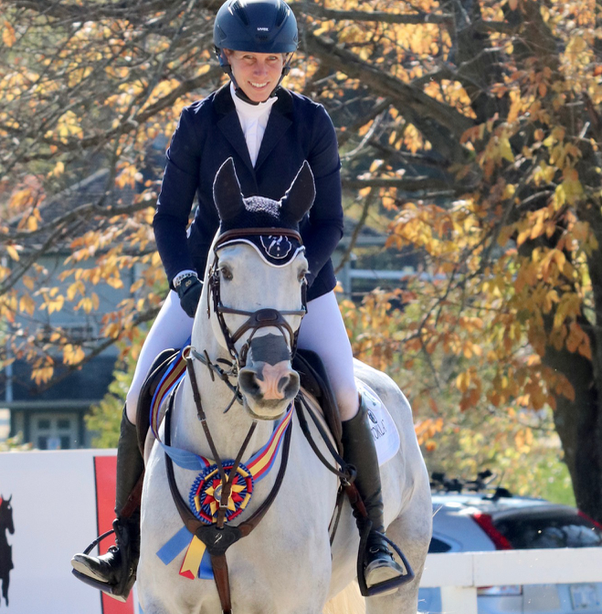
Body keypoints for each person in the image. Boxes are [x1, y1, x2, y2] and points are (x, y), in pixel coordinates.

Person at [71, 0, 401, 600]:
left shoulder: (311, 122)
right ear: (226, 56)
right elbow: (169, 217)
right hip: (210, 287)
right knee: (141, 390)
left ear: (286, 61)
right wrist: (183, 278)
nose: (261, 70)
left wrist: (295, 277)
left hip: (298, 287)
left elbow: (330, 221)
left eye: (272, 59)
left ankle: (374, 537)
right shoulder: (199, 121)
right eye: (249, 57)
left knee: (345, 394)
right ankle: (124, 544)